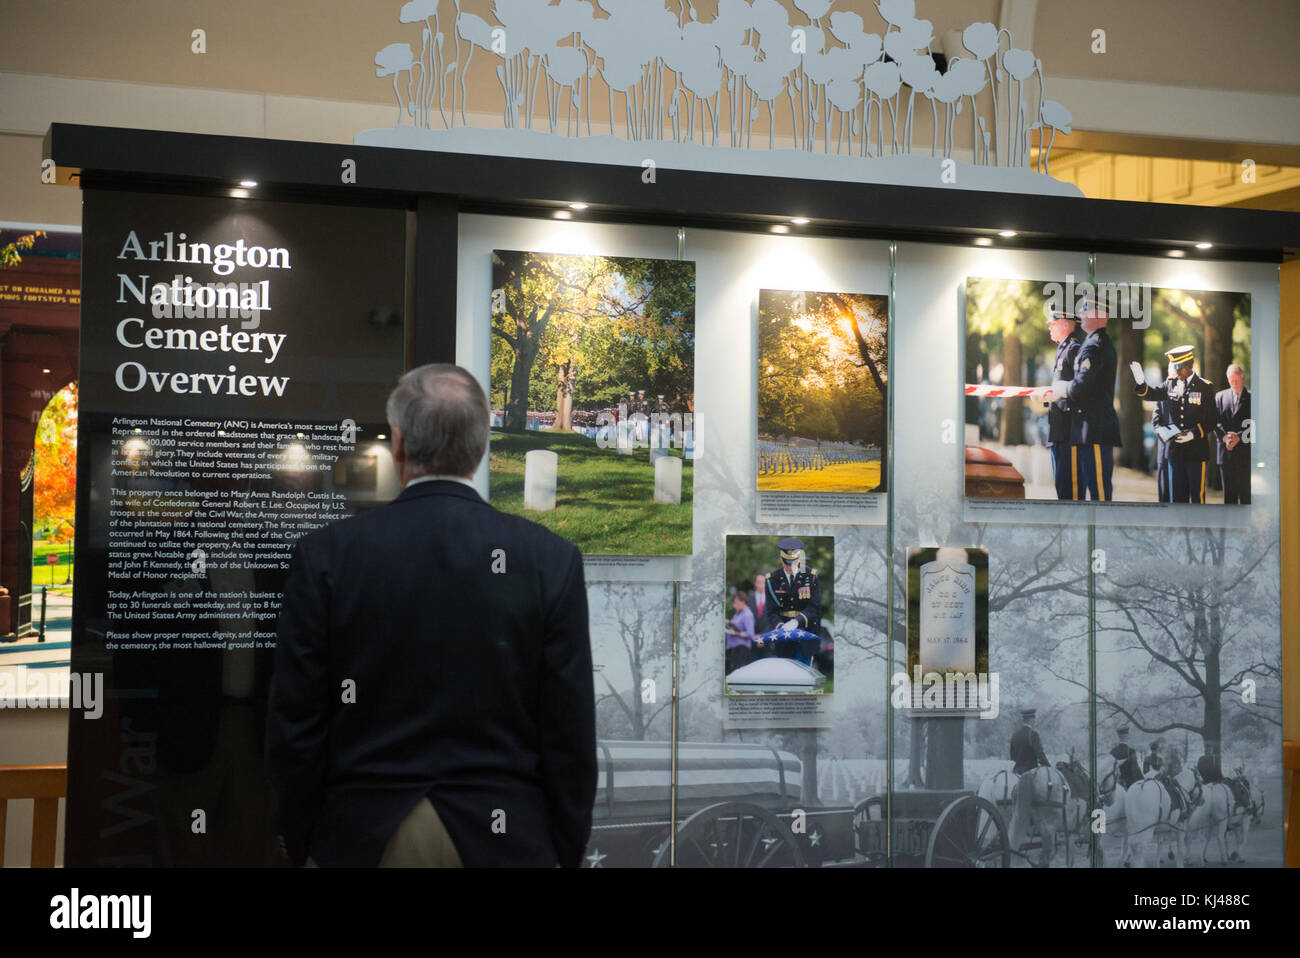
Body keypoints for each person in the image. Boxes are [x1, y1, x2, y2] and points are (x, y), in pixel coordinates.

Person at [266, 364, 596, 868]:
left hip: (361, 834)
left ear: (398, 444)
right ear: (482, 446)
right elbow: (569, 731)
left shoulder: (326, 556)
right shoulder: (549, 559)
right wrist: (559, 847)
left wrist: (306, 837)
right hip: (506, 837)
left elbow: (296, 726)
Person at [1052, 301, 1121, 501]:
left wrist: (1061, 389)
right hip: (1088, 429)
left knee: (1099, 492)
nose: (1081, 314)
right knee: (1092, 488)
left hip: (1096, 428)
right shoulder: (1092, 343)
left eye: (1086, 311)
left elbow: (1082, 384)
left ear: (1099, 315)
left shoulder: (1096, 345)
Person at [1129, 345, 1216, 503]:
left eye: (1177, 368)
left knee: (1197, 498)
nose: (1174, 372)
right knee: (1176, 499)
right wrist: (1141, 383)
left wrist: (1193, 434)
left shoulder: (1205, 387)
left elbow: (1211, 419)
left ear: (1186, 367)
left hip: (1196, 452)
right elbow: (1151, 394)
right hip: (1175, 453)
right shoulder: (1170, 384)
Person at [755, 537, 821, 661]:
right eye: (786, 563)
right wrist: (781, 626)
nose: (790, 567)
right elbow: (771, 611)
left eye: (794, 562)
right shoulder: (772, 579)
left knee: (804, 675)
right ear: (781, 559)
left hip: (805, 633)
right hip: (783, 636)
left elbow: (814, 607)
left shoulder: (810, 576)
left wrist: (797, 621)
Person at [1043, 308, 1084, 500]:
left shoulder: (1074, 349)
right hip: (1059, 430)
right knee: (1062, 487)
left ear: (1066, 324)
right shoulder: (1063, 349)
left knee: (1072, 491)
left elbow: (1081, 388)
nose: (1050, 326)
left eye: (1054, 322)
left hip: (1070, 431)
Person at [1214, 363, 1251, 504]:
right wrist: (1225, 437)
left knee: (1245, 497)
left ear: (1243, 378)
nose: (1234, 383)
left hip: (1244, 457)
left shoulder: (1252, 398)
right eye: (1231, 380)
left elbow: (1255, 423)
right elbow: (1215, 422)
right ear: (1228, 379)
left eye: (1237, 380)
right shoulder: (1220, 397)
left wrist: (1239, 437)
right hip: (1225, 455)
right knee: (1229, 499)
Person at [1009, 708, 1051, 775]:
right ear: (1030, 720)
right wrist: (1048, 766)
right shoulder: (1033, 734)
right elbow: (1039, 753)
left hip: (1016, 772)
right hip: (1031, 772)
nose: (1035, 721)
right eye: (1034, 719)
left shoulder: (1015, 735)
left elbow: (1012, 756)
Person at [725, 589, 755, 674]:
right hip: (733, 647)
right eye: (734, 603)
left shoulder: (747, 614)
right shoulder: (737, 614)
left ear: (743, 602)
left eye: (736, 603)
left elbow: (750, 634)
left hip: (741, 648)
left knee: (738, 672)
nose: (734, 606)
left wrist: (736, 633)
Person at [1109, 726, 1142, 790]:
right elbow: (1135, 770)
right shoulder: (1131, 751)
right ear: (1127, 736)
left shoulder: (1112, 751)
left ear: (1118, 736)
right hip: (1130, 785)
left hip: (1115, 785)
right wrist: (1142, 780)